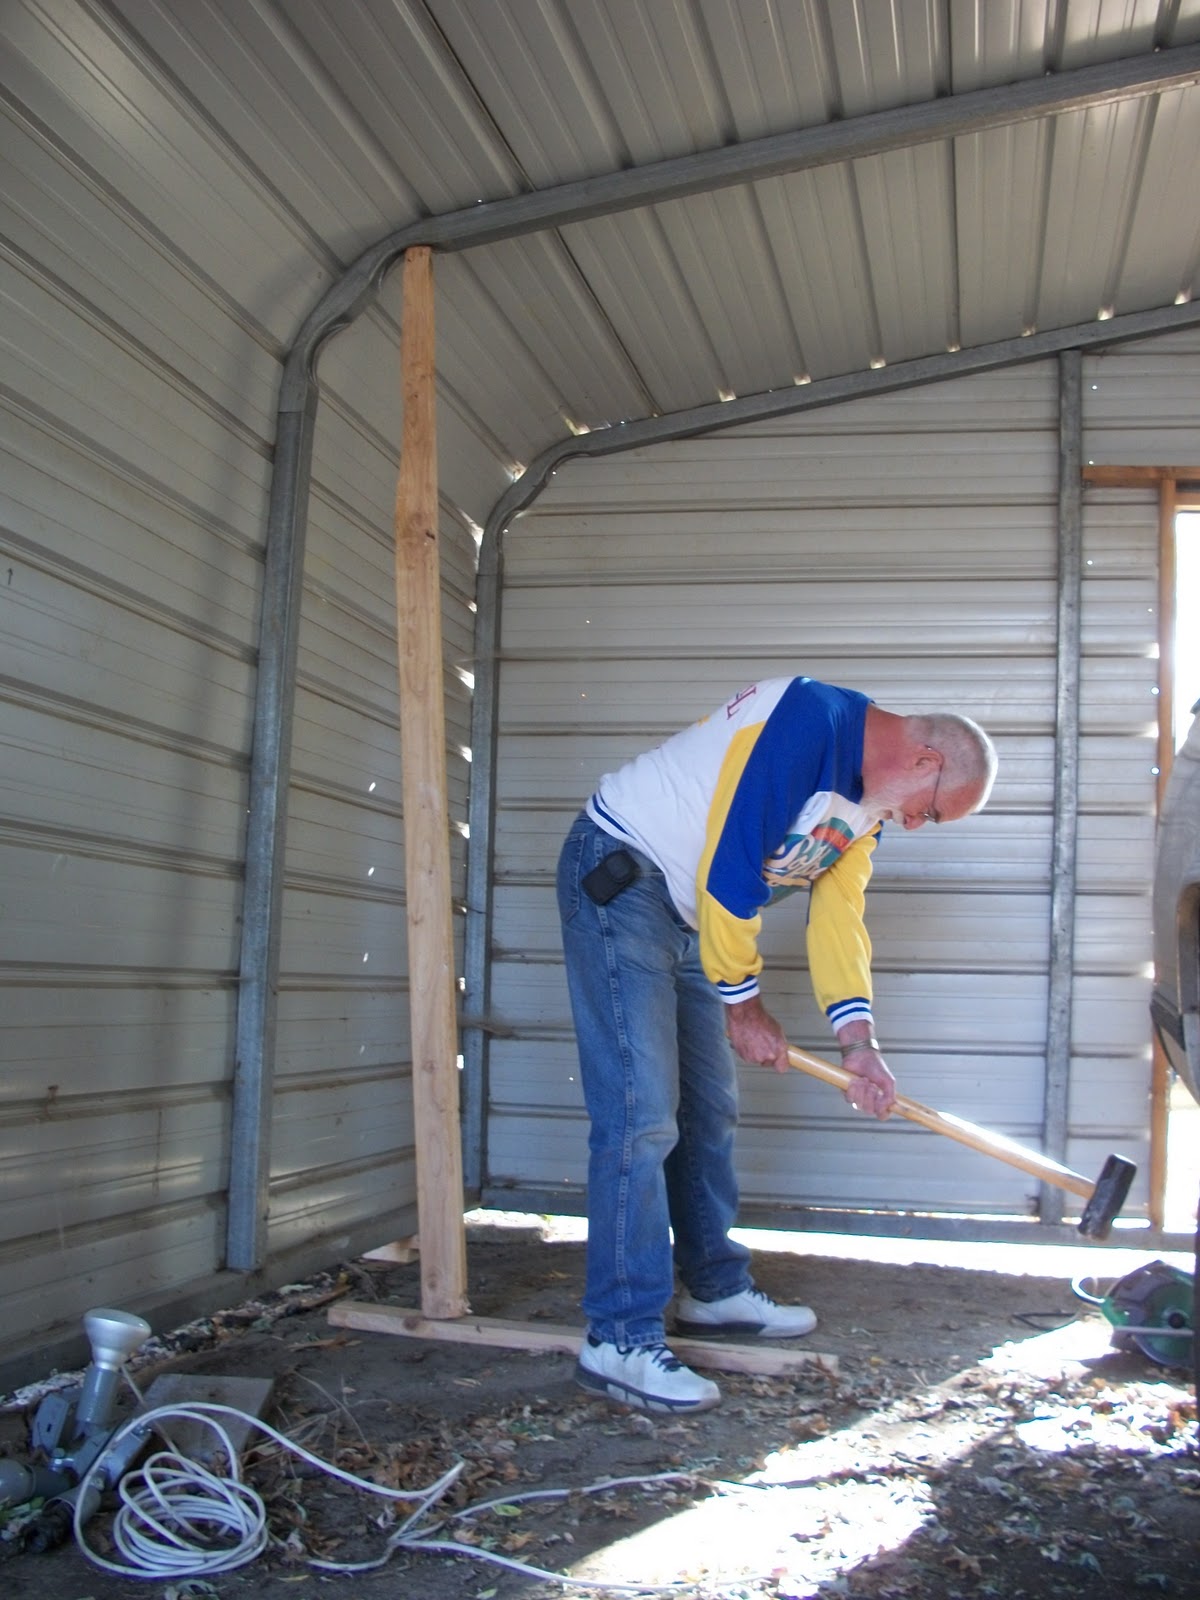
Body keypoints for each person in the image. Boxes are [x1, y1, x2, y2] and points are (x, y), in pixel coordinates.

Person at [556, 674, 997, 1415]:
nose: (917, 825)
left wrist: (858, 1042)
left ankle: (714, 1290)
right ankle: (619, 1339)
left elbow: (839, 920)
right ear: (925, 761)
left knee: (708, 1110)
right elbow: (733, 865)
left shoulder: (868, 809)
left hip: (693, 914)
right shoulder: (810, 718)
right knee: (641, 1117)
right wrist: (745, 1006)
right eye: (931, 810)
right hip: (623, 879)